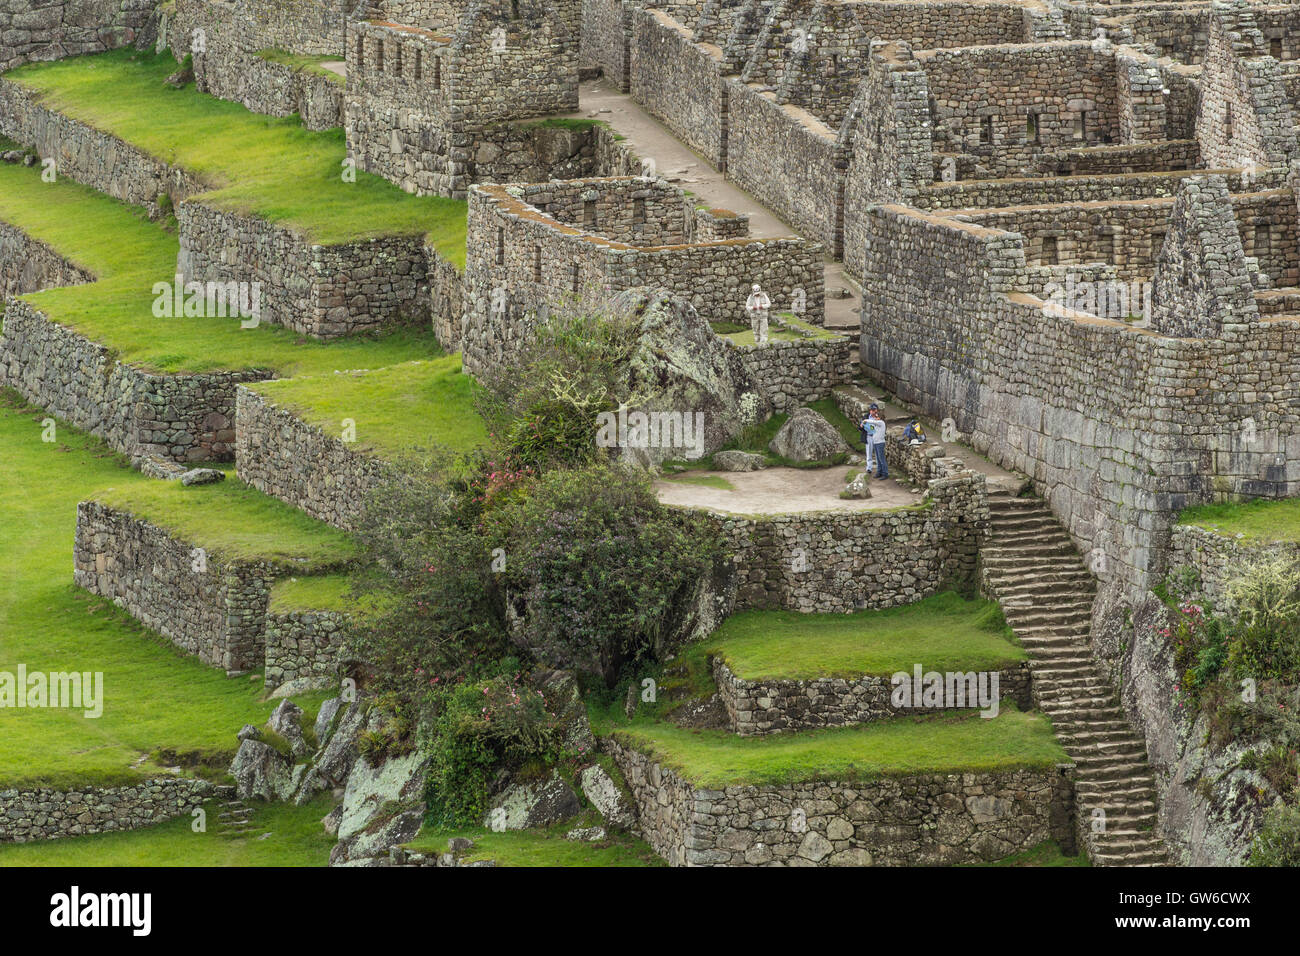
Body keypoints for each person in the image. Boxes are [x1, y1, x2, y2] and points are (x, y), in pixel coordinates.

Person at [866, 406, 888, 479]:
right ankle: (879, 472)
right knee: (878, 459)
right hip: (876, 443)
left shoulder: (881, 422)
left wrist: (865, 420)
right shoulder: (877, 423)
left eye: (877, 416)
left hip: (880, 443)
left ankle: (885, 474)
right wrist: (865, 426)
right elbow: (872, 429)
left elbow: (872, 421)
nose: (875, 417)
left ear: (880, 417)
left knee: (881, 459)